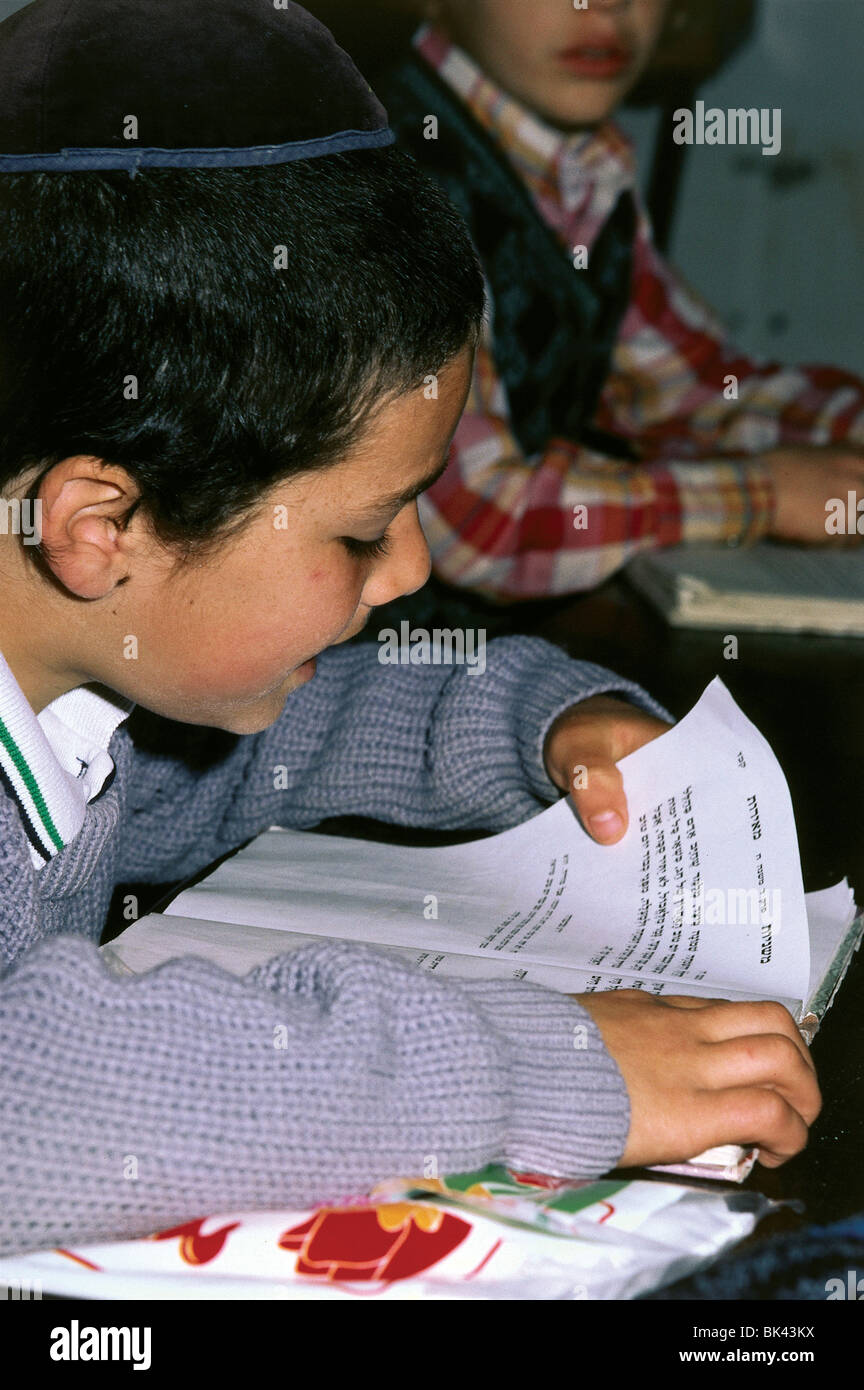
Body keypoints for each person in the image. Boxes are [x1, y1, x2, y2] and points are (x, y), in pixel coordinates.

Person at [0, 0, 819, 1259]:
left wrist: (537, 723)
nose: (416, 566)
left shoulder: (77, 694)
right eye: (361, 529)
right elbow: (35, 1099)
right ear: (98, 529)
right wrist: (550, 1064)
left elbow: (267, 747)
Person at [374, 0, 864, 599]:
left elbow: (689, 391)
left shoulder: (576, 168)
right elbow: (482, 524)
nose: (605, 4)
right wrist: (764, 494)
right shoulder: (384, 185)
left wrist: (846, 428)